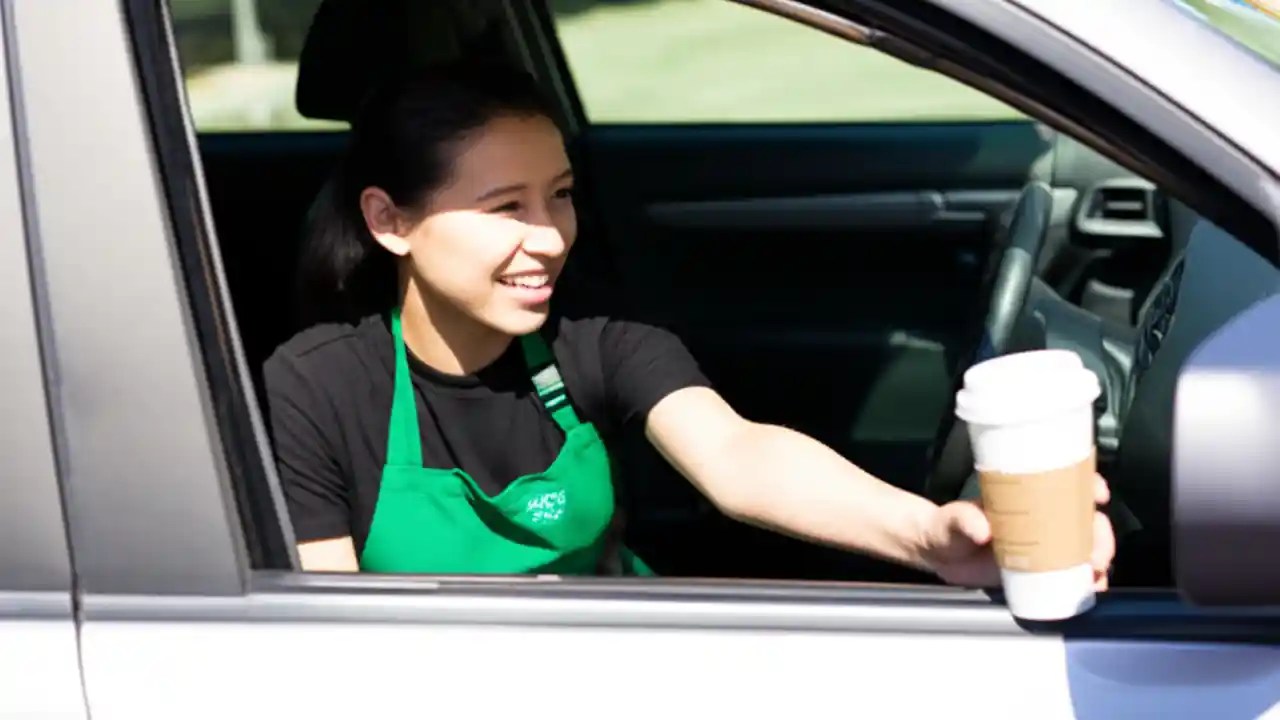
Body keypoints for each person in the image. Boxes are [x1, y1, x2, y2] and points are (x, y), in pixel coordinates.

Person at [263, 60, 1116, 587]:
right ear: (390, 222)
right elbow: (332, 618)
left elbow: (739, 458)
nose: (548, 238)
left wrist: (931, 536)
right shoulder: (318, 385)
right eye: (504, 207)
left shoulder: (598, 340)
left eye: (560, 197)